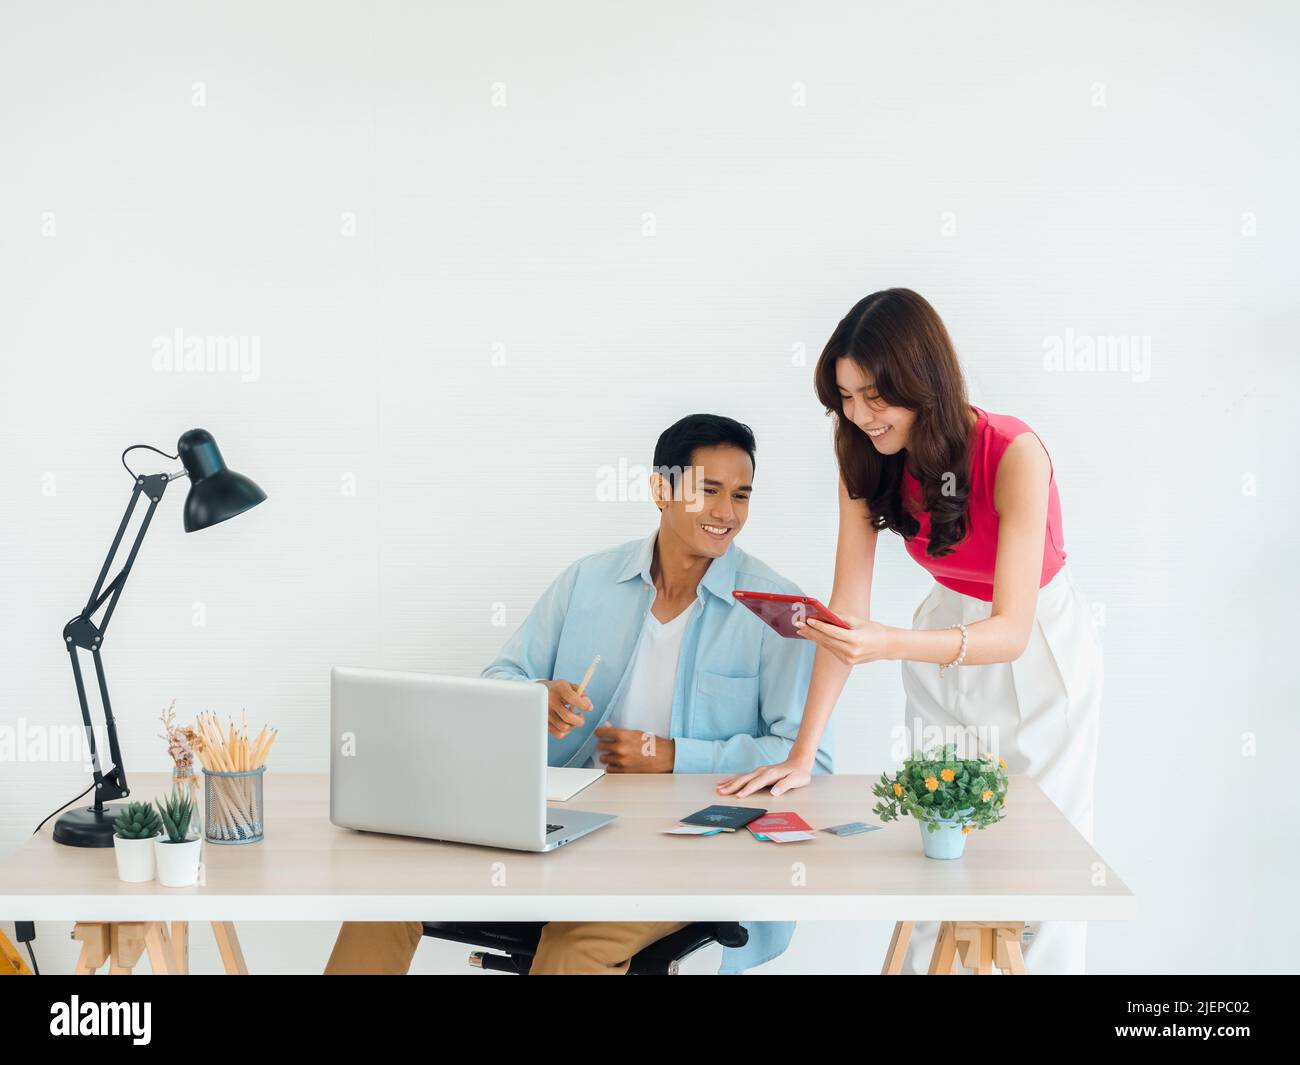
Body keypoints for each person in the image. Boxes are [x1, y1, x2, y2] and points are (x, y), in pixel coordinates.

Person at [326, 413, 832, 975]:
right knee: (387, 897)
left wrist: (672, 755)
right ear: (660, 490)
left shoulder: (777, 609)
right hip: (566, 825)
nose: (726, 513)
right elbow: (499, 681)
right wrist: (534, 698)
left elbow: (810, 761)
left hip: (692, 847)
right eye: (708, 491)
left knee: (575, 946)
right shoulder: (588, 581)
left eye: (741, 495)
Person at [718, 289, 1103, 974]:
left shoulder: (1015, 453)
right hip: (941, 630)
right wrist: (802, 754)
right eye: (846, 397)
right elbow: (847, 612)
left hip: (1038, 643)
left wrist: (886, 642)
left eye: (876, 396)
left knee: (1041, 868)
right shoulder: (862, 454)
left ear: (923, 382)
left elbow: (1011, 630)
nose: (862, 416)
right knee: (936, 847)